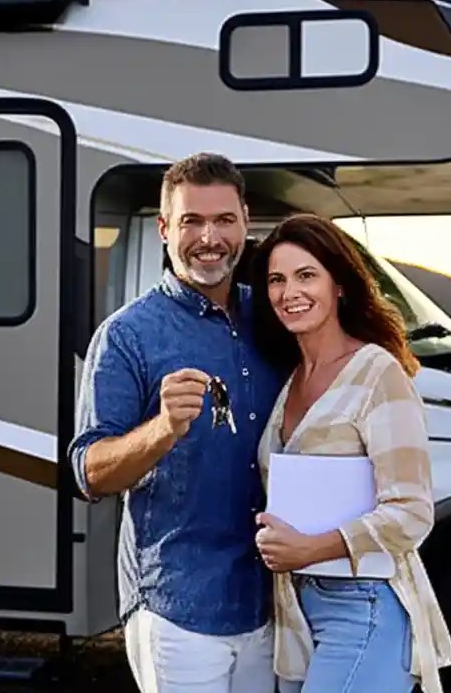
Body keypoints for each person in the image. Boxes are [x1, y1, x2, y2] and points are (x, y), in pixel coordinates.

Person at [68, 153, 287, 692]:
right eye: (191, 221)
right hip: (177, 607)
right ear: (165, 229)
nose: (209, 237)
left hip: (269, 604)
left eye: (223, 220)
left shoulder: (275, 317)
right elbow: (90, 473)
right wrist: (163, 428)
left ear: (244, 222)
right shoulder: (126, 336)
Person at [246, 213, 451, 693]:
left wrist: (310, 548)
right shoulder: (290, 378)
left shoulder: (377, 373)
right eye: (277, 280)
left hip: (365, 606)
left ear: (339, 283)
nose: (289, 292)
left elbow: (411, 512)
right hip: (300, 611)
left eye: (306, 276)